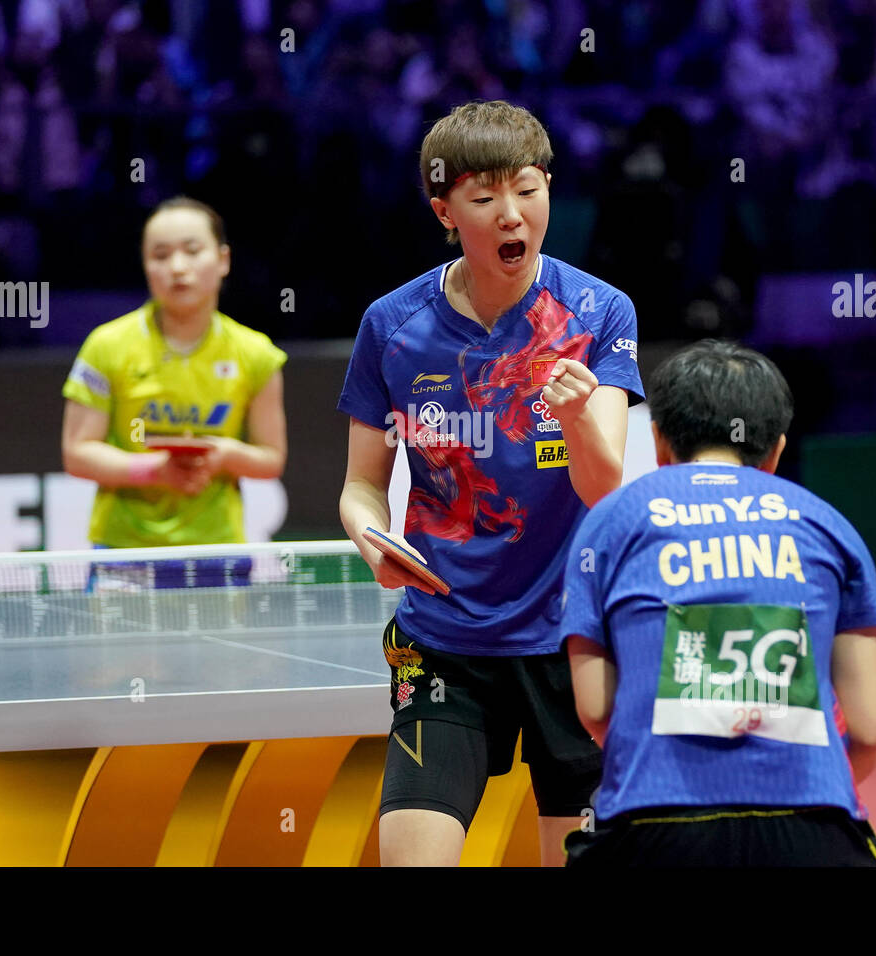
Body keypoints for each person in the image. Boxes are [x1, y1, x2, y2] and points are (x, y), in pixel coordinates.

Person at [337, 100, 645, 867]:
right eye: (485, 198)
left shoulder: (597, 312)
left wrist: (576, 419)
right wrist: (372, 537)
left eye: (529, 191)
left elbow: (609, 487)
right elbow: (361, 486)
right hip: (445, 641)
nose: (513, 216)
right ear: (444, 210)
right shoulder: (392, 326)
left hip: (573, 641)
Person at [561, 339, 876, 867]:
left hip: (655, 823)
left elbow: (597, 710)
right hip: (812, 825)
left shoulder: (611, 519)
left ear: (659, 441)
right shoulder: (829, 526)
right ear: (777, 451)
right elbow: (870, 731)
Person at [61, 196, 287, 586]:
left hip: (218, 554)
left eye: (192, 250)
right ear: (146, 266)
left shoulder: (256, 355)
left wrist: (221, 455)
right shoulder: (106, 346)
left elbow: (271, 459)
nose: (177, 267)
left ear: (223, 260)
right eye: (160, 255)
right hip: (125, 555)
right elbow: (77, 453)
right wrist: (156, 471)